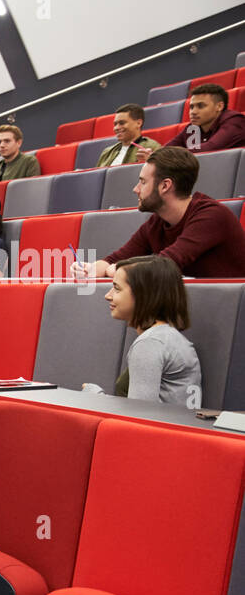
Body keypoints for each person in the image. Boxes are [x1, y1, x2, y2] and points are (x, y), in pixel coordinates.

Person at [71, 147, 245, 279]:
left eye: (143, 182)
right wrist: (90, 269)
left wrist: (117, 269)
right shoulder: (157, 222)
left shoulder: (211, 216)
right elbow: (116, 258)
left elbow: (167, 263)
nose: (135, 189)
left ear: (165, 186)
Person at [104, 255, 201, 406]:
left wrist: (96, 398)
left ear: (143, 295)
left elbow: (139, 416)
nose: (107, 296)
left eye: (117, 288)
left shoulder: (150, 343)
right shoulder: (164, 337)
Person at [155, 84, 245, 155]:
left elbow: (210, 149)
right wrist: (153, 154)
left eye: (200, 106)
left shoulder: (234, 121)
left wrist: (168, 154)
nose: (193, 112)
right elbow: (166, 149)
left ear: (219, 106)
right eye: (191, 107)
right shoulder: (193, 128)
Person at [96, 104, 161, 167]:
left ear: (138, 123)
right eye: (115, 124)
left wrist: (149, 163)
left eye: (122, 123)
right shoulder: (107, 152)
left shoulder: (152, 147)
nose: (116, 128)